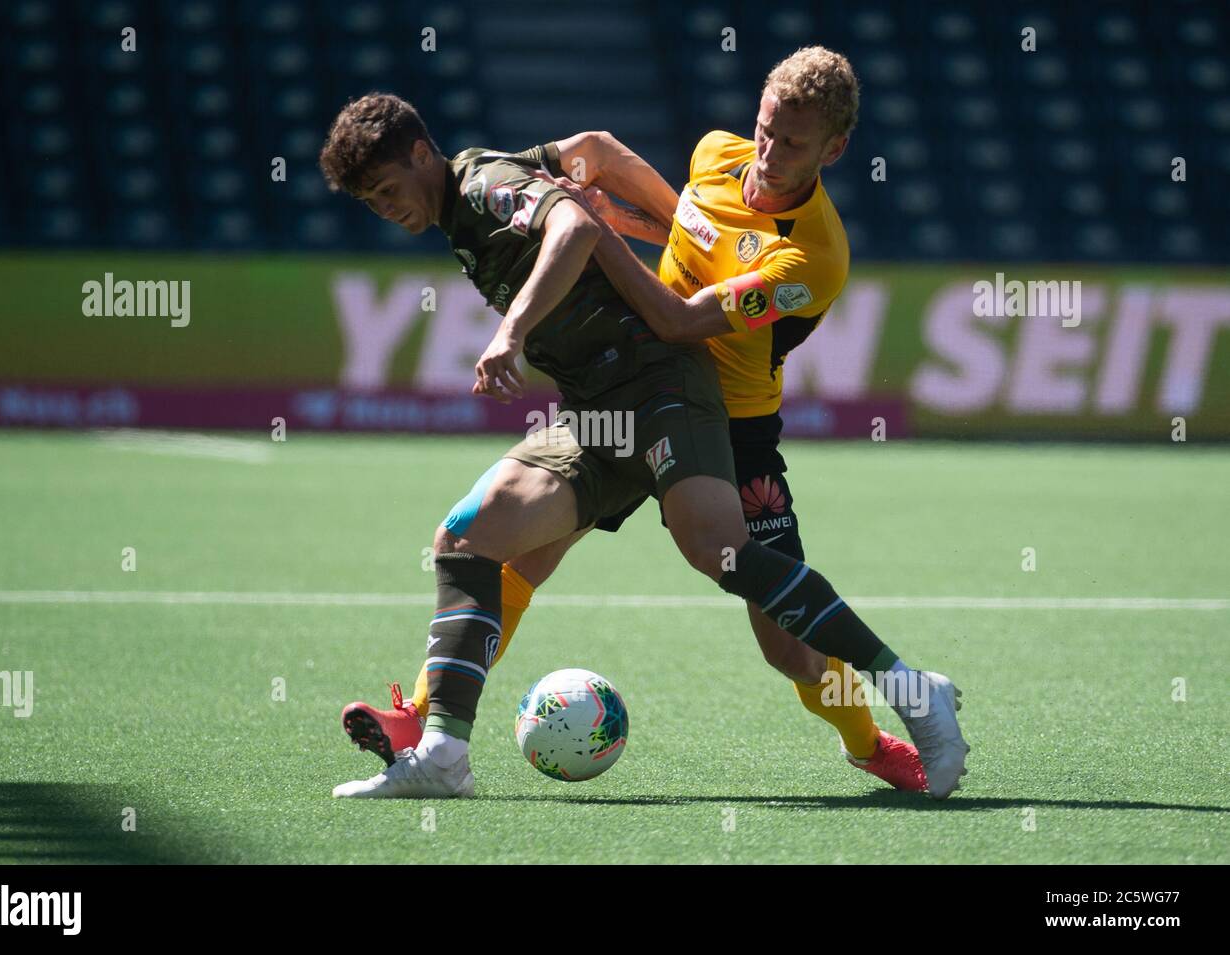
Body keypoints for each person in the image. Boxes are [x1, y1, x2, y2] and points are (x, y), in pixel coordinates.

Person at [318, 88, 968, 800]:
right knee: (472, 537)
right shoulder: (717, 155)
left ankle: (901, 700)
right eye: (766, 132)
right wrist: (630, 216)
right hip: (602, 410)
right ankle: (438, 742)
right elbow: (604, 158)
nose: (770, 152)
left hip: (697, 397)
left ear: (832, 151)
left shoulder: (816, 253)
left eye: (792, 144)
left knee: (756, 606)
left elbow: (651, 294)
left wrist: (520, 321)